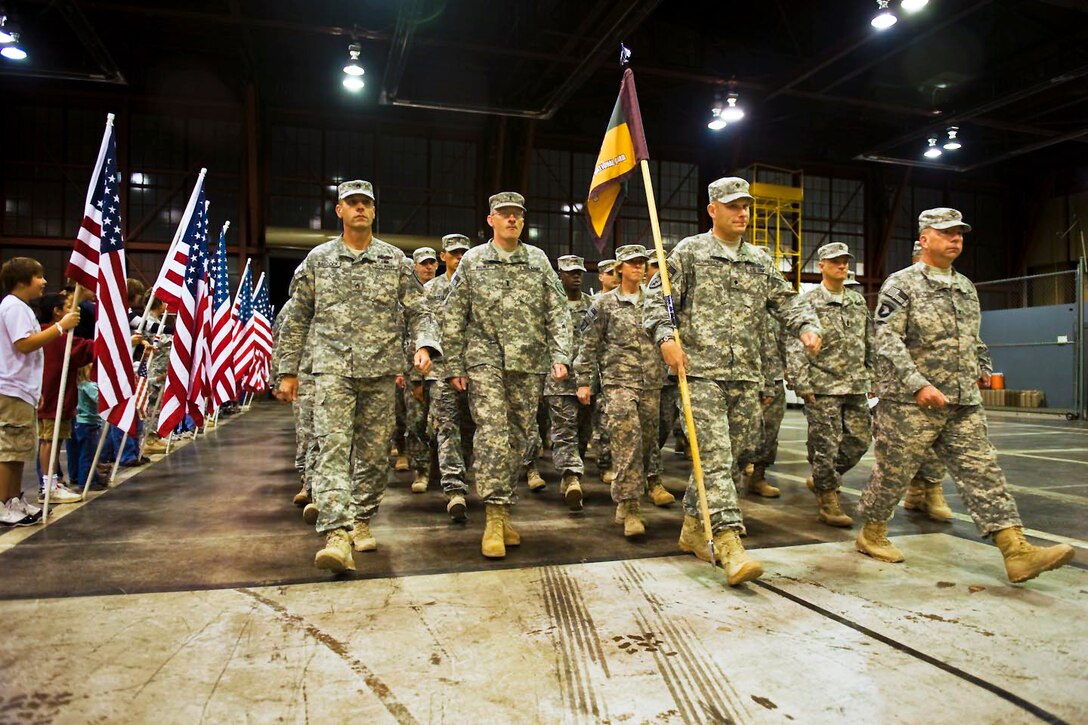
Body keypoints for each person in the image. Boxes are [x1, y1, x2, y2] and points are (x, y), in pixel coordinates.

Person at [856, 208, 1074, 583]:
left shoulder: (965, 287)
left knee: (983, 471)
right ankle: (871, 532)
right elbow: (886, 340)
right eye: (946, 233)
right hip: (911, 402)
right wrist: (917, 384)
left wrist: (983, 367)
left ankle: (1015, 550)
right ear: (924, 239)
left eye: (959, 233)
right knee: (894, 474)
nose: (956, 238)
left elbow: (972, 339)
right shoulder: (901, 284)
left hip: (961, 402)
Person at [644, 176, 822, 586]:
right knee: (712, 457)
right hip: (701, 373)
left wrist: (806, 326)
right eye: (732, 206)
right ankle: (727, 541)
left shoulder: (759, 260)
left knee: (735, 457)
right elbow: (657, 301)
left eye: (746, 206)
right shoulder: (689, 253)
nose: (742, 213)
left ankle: (691, 528)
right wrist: (666, 337)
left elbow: (785, 301)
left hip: (745, 375)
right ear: (713, 210)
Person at [277, 180, 440, 574]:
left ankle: (362, 518)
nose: (360, 209)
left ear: (373, 210)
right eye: (352, 203)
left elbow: (420, 309)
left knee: (371, 455)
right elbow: (297, 317)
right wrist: (287, 370)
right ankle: (335, 532)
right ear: (339, 211)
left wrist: (424, 345)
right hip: (331, 370)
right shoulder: (318, 259)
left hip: (381, 372)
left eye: (366, 203)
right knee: (332, 448)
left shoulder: (394, 262)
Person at [443, 191, 572, 559]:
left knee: (520, 436)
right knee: (494, 431)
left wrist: (561, 354)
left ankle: (505, 508)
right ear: (491, 220)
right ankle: (494, 516)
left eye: (517, 214)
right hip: (484, 359)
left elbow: (557, 310)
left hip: (528, 362)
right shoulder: (473, 261)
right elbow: (455, 315)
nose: (512, 219)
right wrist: (453, 364)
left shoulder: (537, 260)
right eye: (504, 214)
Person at [576, 244, 665, 539]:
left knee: (647, 444)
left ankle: (624, 495)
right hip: (618, 382)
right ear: (620, 268)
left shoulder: (655, 302)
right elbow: (588, 344)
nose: (638, 268)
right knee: (627, 442)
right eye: (632, 263)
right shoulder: (603, 304)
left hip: (651, 382)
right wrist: (584, 381)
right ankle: (631, 506)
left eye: (642, 263)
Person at [786, 242, 874, 528]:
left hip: (855, 383)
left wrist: (872, 375)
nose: (842, 266)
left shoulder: (856, 301)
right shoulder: (807, 302)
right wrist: (802, 383)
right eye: (835, 261)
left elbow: (869, 338)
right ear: (821, 265)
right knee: (826, 444)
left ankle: (825, 477)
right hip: (822, 385)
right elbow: (795, 345)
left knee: (860, 440)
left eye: (845, 261)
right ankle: (827, 499)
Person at [1, 258, 79, 526]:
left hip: (22, 389)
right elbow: (23, 344)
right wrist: (60, 327)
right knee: (9, 451)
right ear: (22, 281)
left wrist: (35, 388)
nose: (44, 281)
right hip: (11, 389)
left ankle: (14, 500)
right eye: (39, 276)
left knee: (20, 449)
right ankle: (2, 504)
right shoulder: (14, 307)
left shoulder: (21, 308)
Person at [425, 234, 475, 521]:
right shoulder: (431, 290)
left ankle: (461, 474)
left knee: (468, 430)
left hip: (474, 370)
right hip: (441, 373)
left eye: (463, 253)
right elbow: (422, 329)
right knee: (447, 429)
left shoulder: (475, 287)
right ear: (443, 256)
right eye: (454, 253)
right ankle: (454, 490)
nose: (459, 257)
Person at [540, 254, 594, 511]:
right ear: (559, 274)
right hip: (558, 383)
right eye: (570, 272)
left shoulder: (593, 307)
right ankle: (571, 476)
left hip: (587, 381)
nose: (576, 276)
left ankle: (574, 472)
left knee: (583, 434)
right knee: (564, 432)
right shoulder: (550, 307)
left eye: (579, 272)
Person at [403, 247, 440, 493]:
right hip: (413, 369)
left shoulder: (443, 291)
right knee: (416, 422)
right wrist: (416, 378)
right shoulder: (407, 293)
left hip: (441, 369)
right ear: (415, 266)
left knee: (440, 424)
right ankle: (421, 470)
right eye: (423, 264)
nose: (428, 267)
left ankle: (441, 470)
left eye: (431, 263)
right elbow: (404, 335)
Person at [741, 316, 789, 499]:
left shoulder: (778, 302)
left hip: (774, 377)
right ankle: (727, 482)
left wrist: (790, 368)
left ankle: (758, 477)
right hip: (745, 376)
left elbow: (785, 340)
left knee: (769, 432)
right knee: (739, 432)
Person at [71, 364, 103, 490]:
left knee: (86, 453)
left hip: (82, 422)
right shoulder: (88, 386)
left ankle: (92, 477)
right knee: (88, 454)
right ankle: (86, 481)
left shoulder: (79, 386)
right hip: (89, 423)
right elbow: (99, 399)